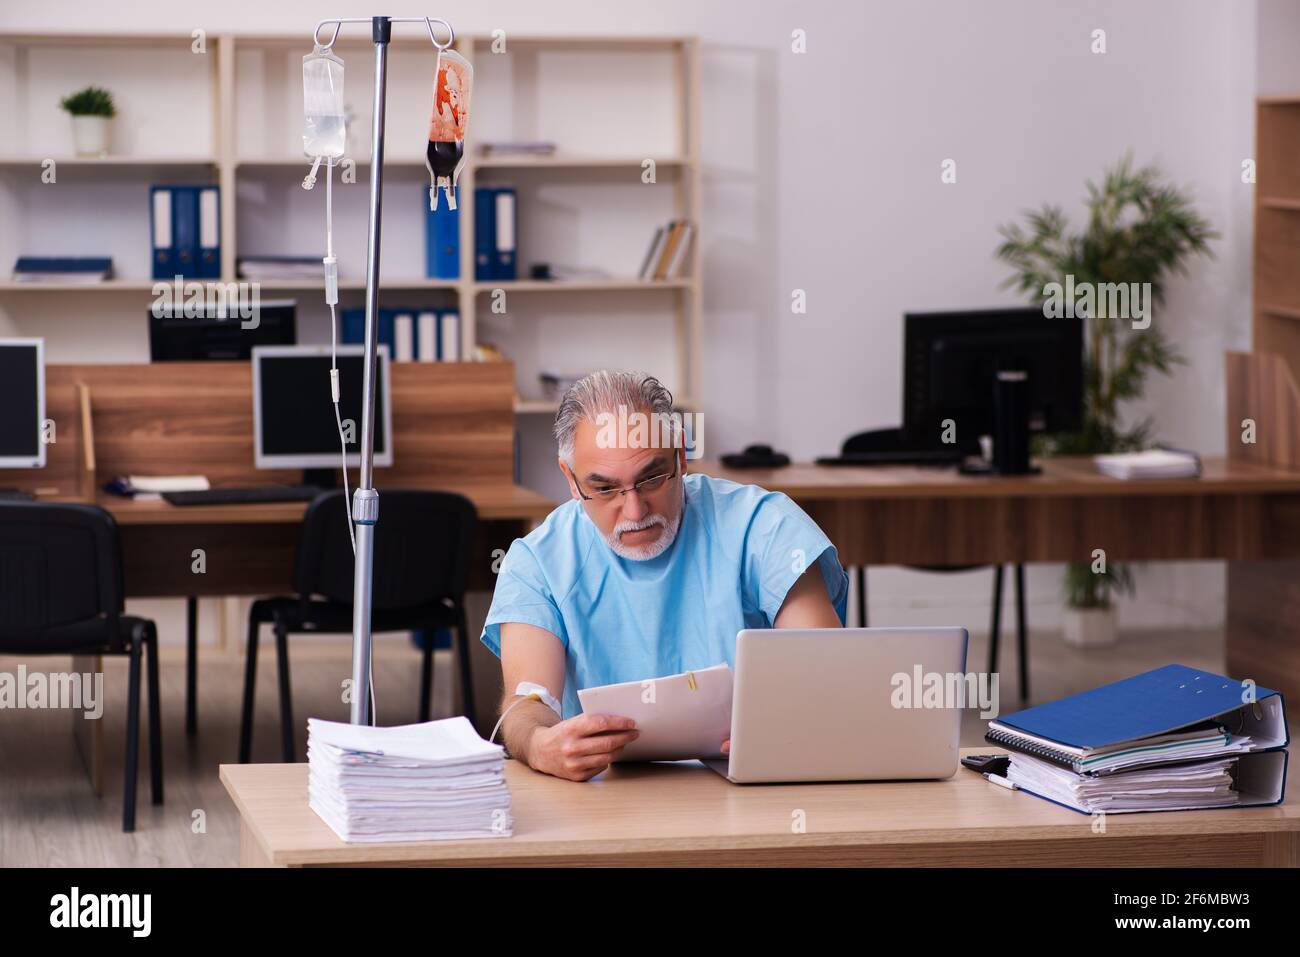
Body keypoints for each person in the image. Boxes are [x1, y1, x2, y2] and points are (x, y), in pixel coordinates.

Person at [481, 370, 847, 780]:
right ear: (570, 479)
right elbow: (528, 704)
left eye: (652, 478)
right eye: (604, 489)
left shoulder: (766, 528)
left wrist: (785, 726)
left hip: (758, 784)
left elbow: (822, 677)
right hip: (608, 797)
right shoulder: (538, 561)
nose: (635, 512)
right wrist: (538, 744)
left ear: (681, 456)